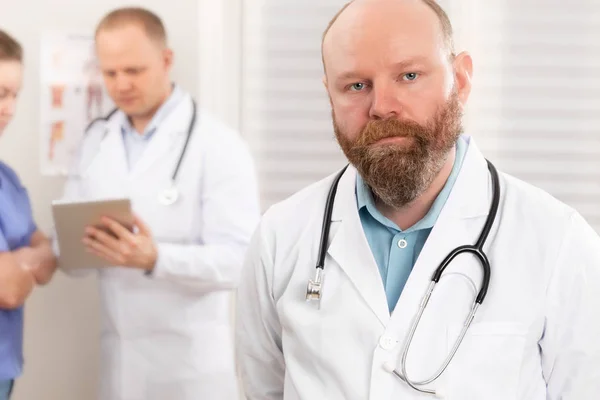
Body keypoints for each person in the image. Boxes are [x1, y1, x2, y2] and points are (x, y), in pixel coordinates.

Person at [235, 0, 600, 399]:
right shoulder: (280, 235)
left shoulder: (558, 240)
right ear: (330, 95)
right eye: (356, 85)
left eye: (409, 75)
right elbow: (261, 389)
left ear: (460, 80)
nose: (381, 107)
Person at [54, 7, 261, 400]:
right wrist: (65, 248)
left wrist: (155, 258)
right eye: (110, 72)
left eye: (134, 70)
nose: (121, 84)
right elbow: (70, 250)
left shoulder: (218, 145)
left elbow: (241, 261)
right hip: (119, 366)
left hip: (190, 373)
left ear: (166, 60)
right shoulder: (96, 141)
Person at [0, 30, 58, 400]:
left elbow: (48, 259)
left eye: (14, 94)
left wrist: (19, 260)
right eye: (0, 93)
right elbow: (9, 289)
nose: (9, 108)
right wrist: (27, 262)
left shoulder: (7, 177)